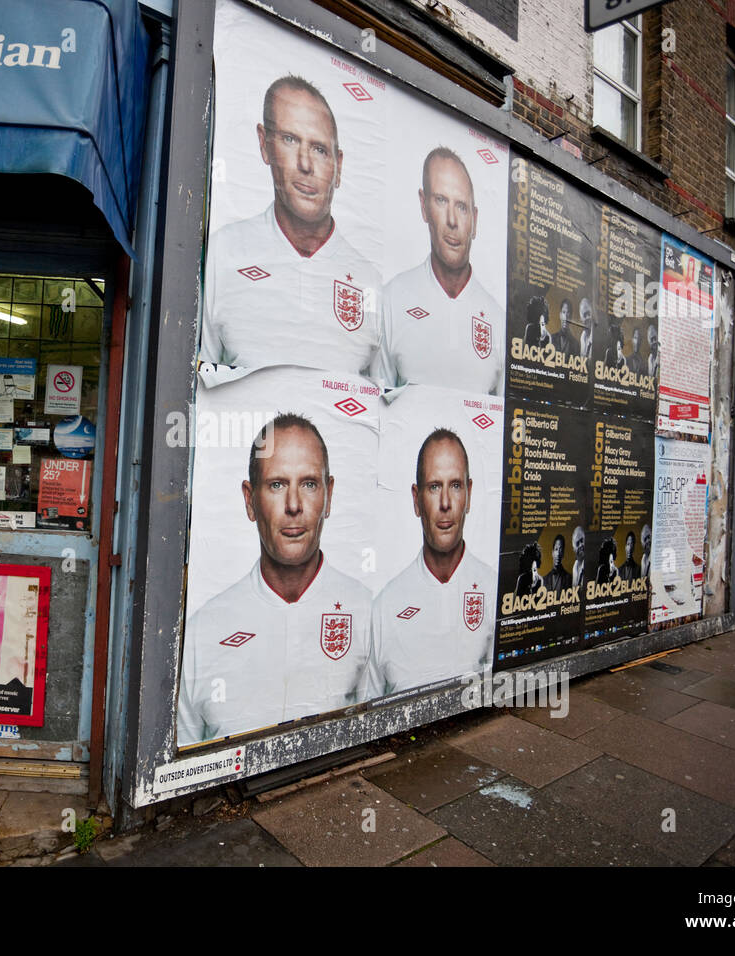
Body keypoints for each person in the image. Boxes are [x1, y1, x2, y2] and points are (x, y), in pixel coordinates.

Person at [177, 413, 374, 745]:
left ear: (329, 494)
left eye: (309, 484)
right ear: (250, 500)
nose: (294, 505)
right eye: (277, 484)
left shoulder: (367, 612)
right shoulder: (204, 629)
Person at [200, 76, 381, 376]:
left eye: (319, 149)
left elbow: (379, 408)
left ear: (338, 165)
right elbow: (200, 384)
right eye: (290, 139)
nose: (305, 164)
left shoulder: (370, 282)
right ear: (264, 144)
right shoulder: (225, 252)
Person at [367, 428, 495, 694]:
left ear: (469, 495)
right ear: (416, 500)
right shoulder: (384, 609)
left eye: (455, 486)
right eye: (434, 487)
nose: (445, 503)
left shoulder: (494, 591)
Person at [374, 147, 504, 394]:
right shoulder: (391, 300)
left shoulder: (497, 320)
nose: (452, 221)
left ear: (474, 221)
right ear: (424, 206)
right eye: (441, 201)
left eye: (462, 207)